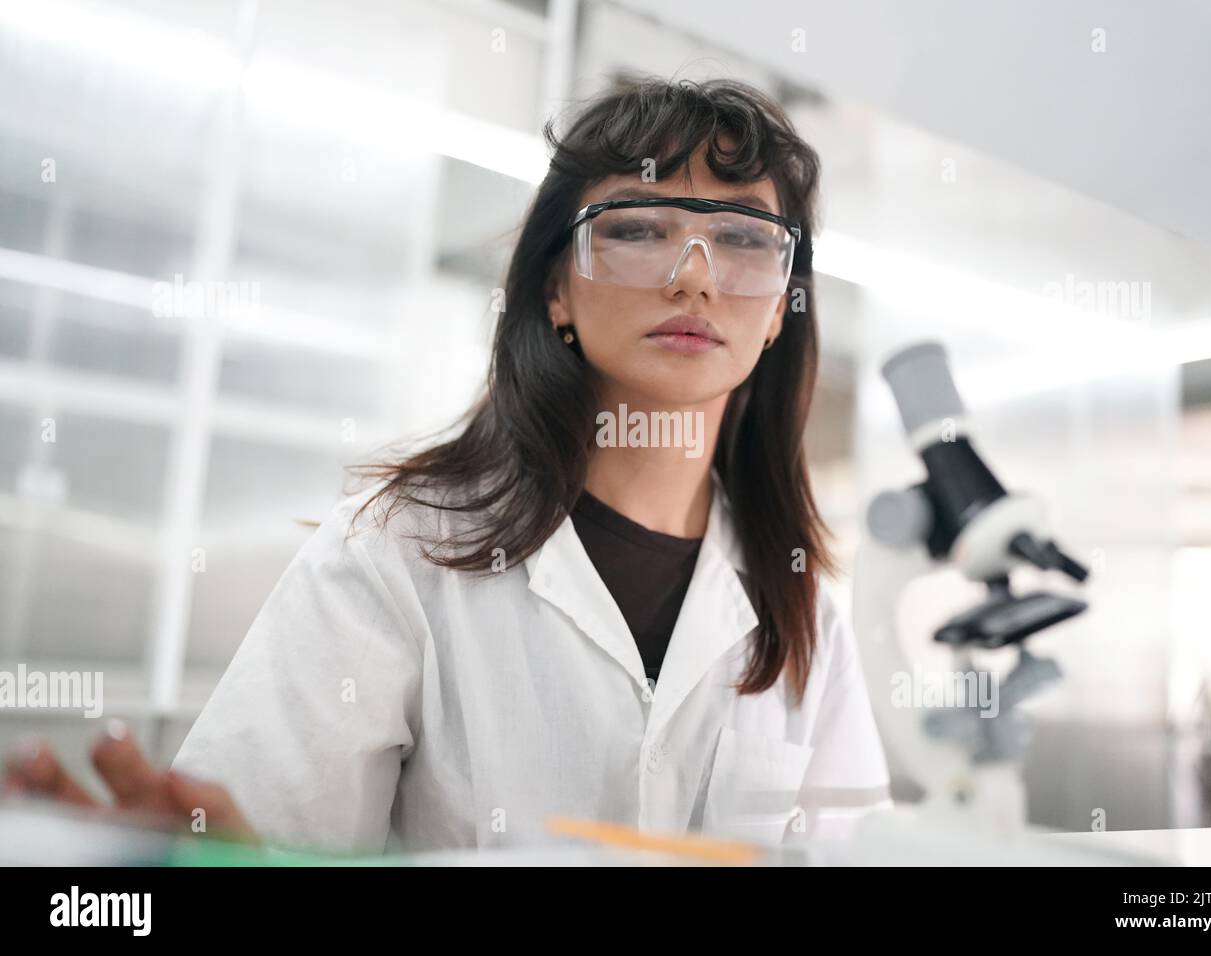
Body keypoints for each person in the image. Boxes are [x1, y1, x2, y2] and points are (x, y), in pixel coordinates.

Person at [2, 75, 891, 855]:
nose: (695, 277)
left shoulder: (802, 604)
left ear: (781, 309)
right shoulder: (397, 550)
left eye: (744, 240)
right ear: (556, 289)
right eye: (641, 228)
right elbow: (262, 836)